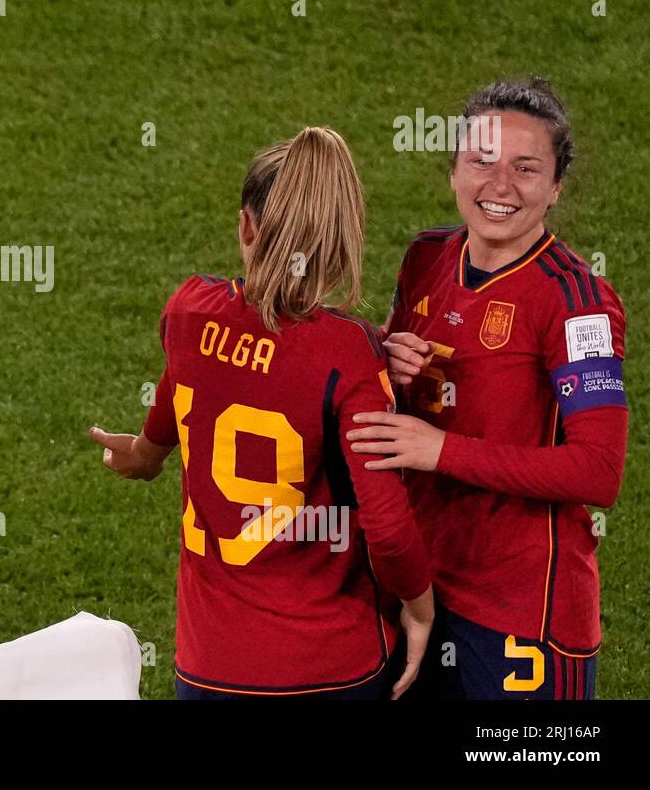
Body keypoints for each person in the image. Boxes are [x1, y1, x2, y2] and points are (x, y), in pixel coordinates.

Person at [90, 127, 434, 699]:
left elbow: (185, 379)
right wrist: (420, 611)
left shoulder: (190, 309)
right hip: (330, 668)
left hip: (209, 669)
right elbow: (390, 530)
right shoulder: (349, 353)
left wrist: (147, 452)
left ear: (247, 225)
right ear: (343, 240)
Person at [354, 79, 627, 699]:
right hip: (417, 582)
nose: (500, 187)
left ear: (556, 187)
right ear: (453, 171)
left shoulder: (577, 303)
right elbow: (388, 412)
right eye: (482, 161)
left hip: (520, 610)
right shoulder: (425, 257)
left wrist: (440, 451)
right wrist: (385, 360)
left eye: (526, 169)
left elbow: (598, 472)